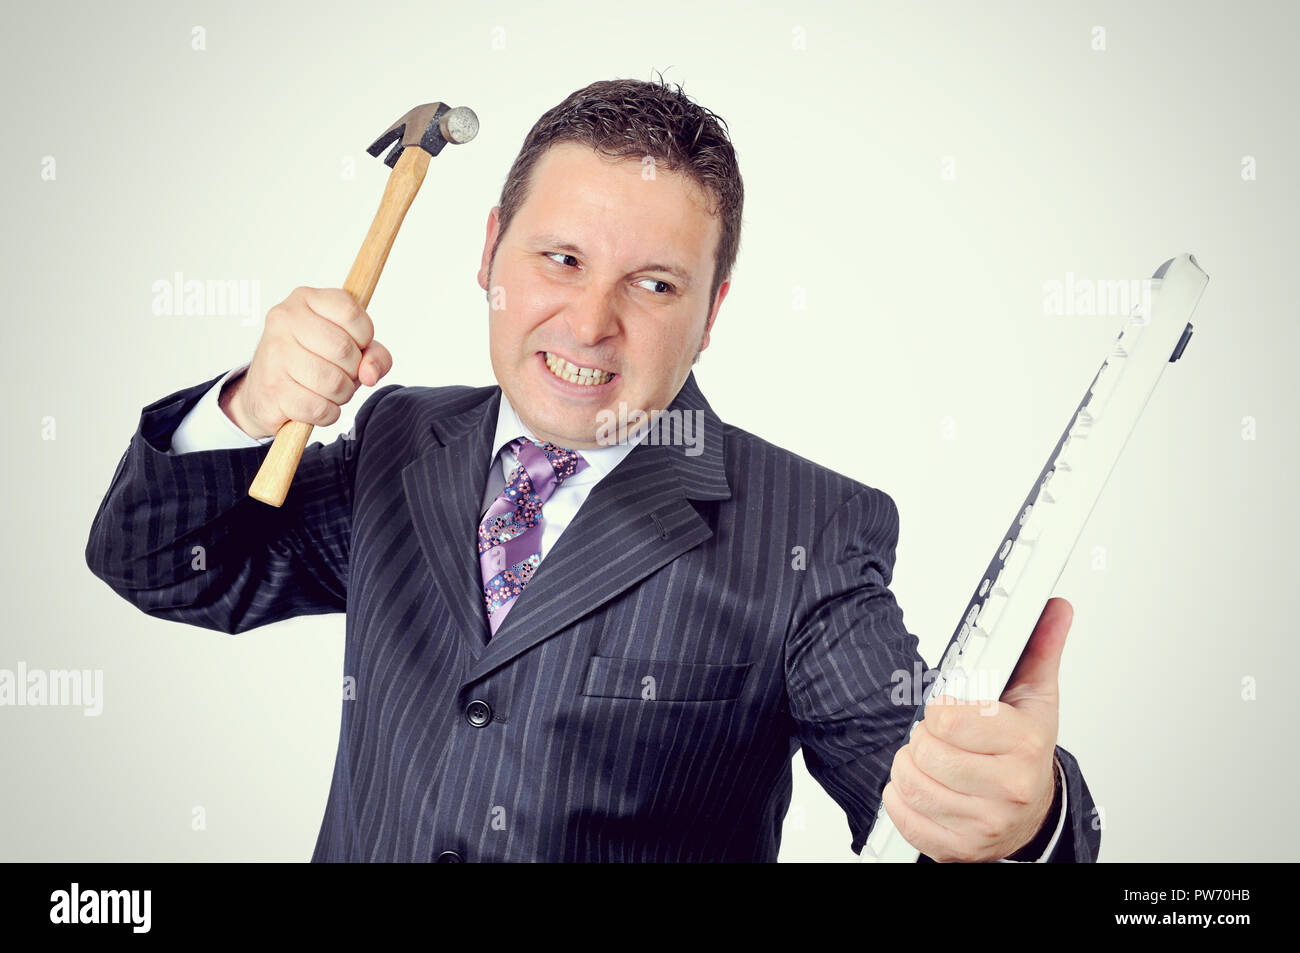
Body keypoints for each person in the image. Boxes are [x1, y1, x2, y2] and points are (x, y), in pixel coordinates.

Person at [85, 76, 1100, 863]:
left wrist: (1021, 817)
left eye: (653, 283)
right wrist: (248, 407)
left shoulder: (809, 531)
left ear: (711, 311)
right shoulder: (400, 444)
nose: (588, 322)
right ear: (489, 251)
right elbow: (164, 564)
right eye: (559, 259)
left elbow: (916, 798)